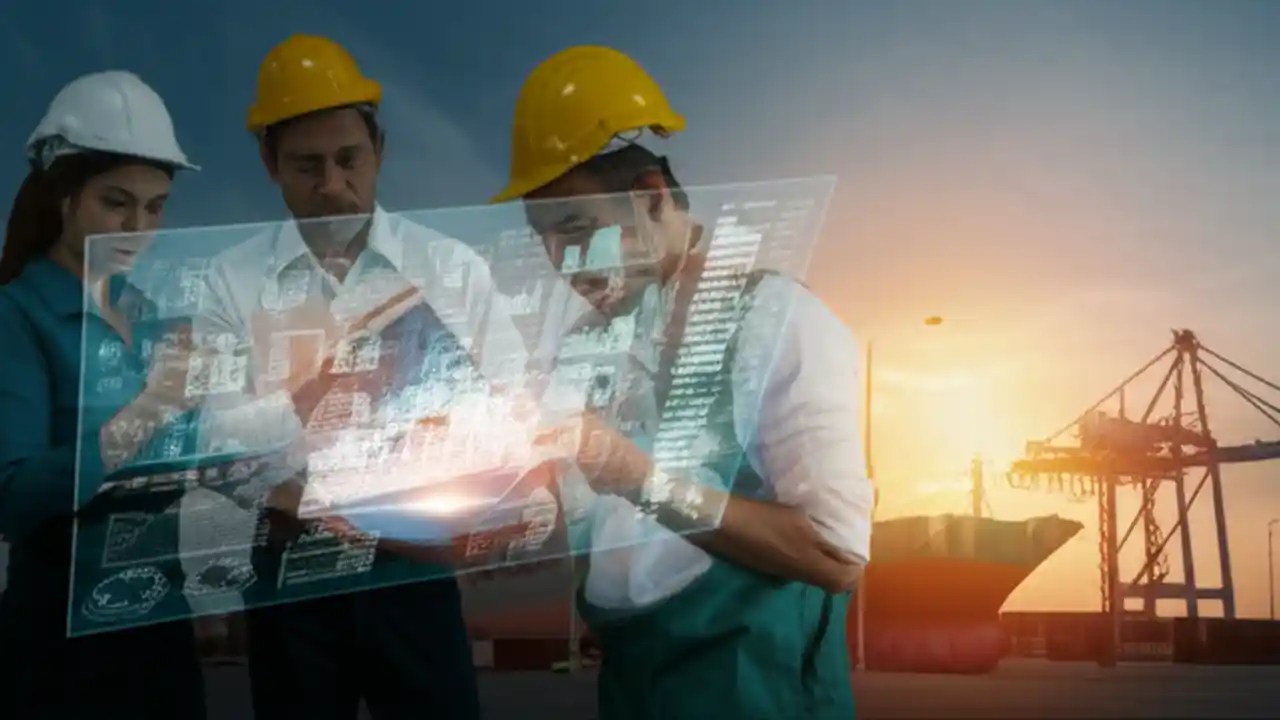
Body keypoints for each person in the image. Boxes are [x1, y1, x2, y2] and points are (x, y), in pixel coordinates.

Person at [494, 45, 873, 718]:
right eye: (544, 238)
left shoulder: (777, 322)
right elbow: (593, 528)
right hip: (634, 679)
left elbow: (835, 552)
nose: (564, 265)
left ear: (650, 197)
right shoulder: (591, 344)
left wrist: (642, 479)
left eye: (578, 229)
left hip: (753, 687)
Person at [194, 33, 523, 720]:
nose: (333, 187)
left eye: (350, 160)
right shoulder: (232, 281)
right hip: (288, 574)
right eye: (307, 166)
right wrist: (314, 399)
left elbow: (510, 409)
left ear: (381, 151)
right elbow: (217, 435)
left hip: (413, 563)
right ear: (268, 163)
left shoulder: (450, 269)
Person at [0, 71, 206, 718]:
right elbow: (15, 497)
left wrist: (233, 428)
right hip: (61, 640)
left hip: (160, 621)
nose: (138, 227)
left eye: (156, 206)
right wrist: (148, 410)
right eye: (116, 203)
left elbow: (180, 463)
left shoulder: (151, 316)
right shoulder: (17, 316)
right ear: (63, 197)